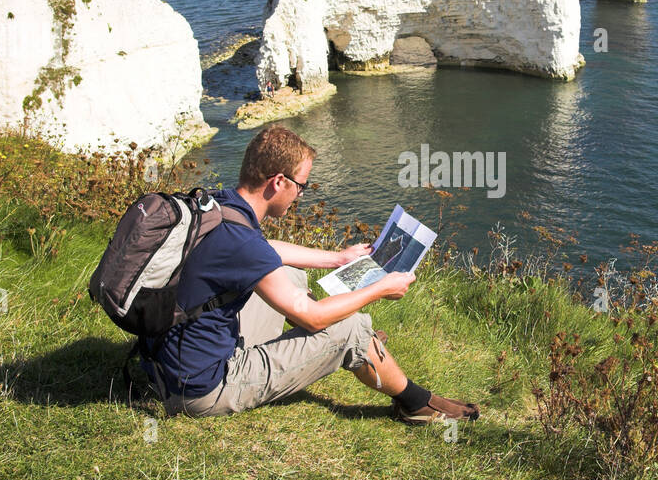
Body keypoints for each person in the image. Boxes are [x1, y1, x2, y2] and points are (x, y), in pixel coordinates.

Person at [141, 125, 480, 425]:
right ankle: (415, 404)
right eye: (301, 186)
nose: (300, 196)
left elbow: (265, 250)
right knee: (349, 328)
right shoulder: (240, 239)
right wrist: (379, 288)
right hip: (201, 388)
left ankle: (338, 346)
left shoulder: (217, 204)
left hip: (165, 359)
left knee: (291, 275)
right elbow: (312, 317)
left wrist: (337, 258)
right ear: (278, 182)